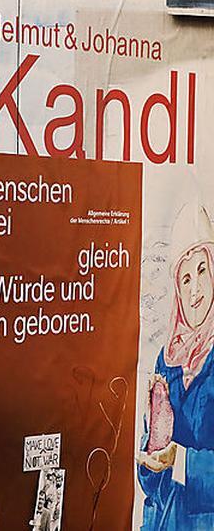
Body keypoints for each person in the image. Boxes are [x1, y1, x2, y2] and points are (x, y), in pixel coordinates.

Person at [138, 206, 214, 529]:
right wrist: (152, 442)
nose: (195, 289)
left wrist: (179, 460)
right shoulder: (166, 360)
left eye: (202, 271)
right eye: (185, 278)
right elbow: (150, 484)